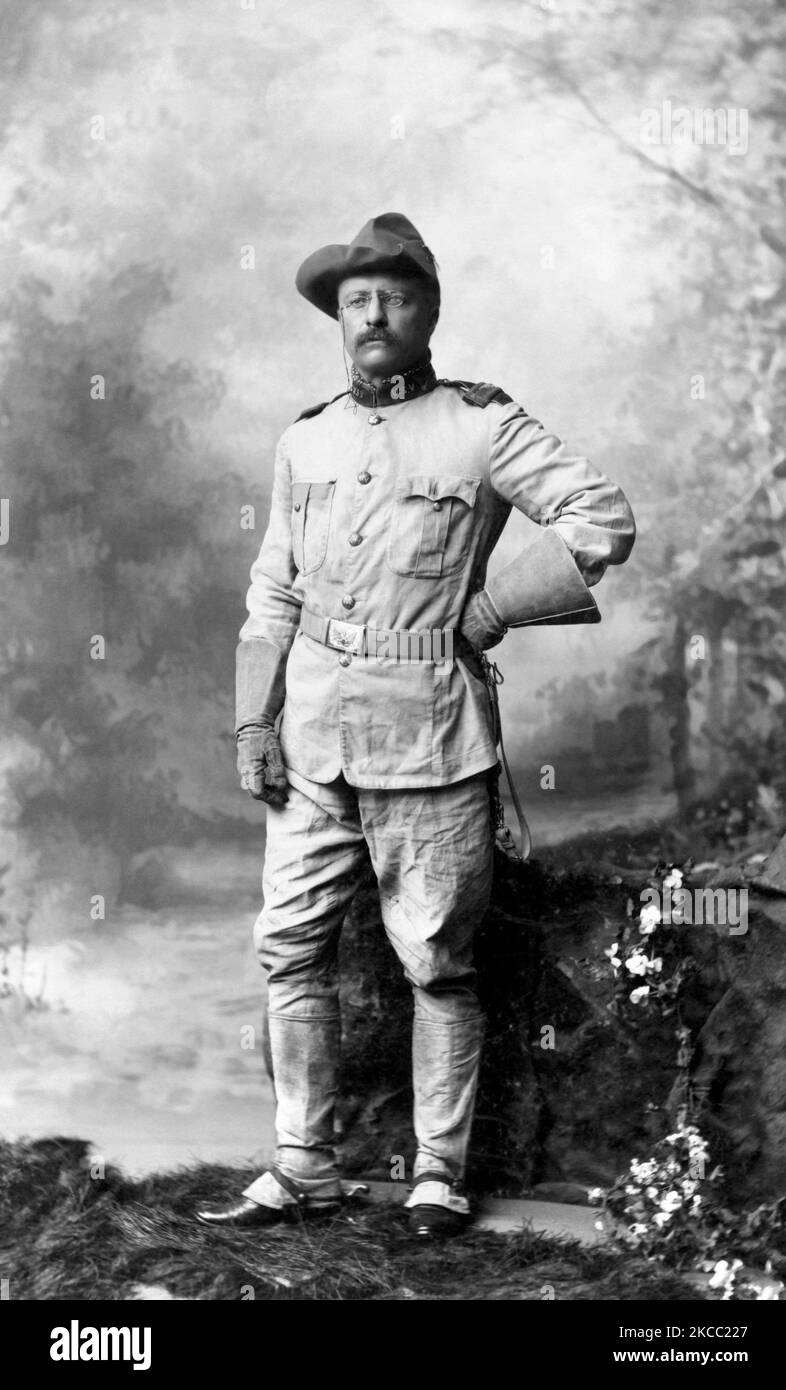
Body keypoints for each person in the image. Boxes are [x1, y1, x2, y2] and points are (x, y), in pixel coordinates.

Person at [197, 212, 636, 1238]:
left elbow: (602, 518)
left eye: (393, 296)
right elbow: (274, 586)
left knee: (435, 961)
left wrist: (488, 610)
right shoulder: (304, 437)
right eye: (355, 300)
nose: (374, 315)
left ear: (428, 309)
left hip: (431, 740)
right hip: (311, 737)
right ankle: (302, 1164)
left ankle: (439, 1173)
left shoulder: (480, 424)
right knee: (287, 949)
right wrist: (248, 723)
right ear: (337, 317)